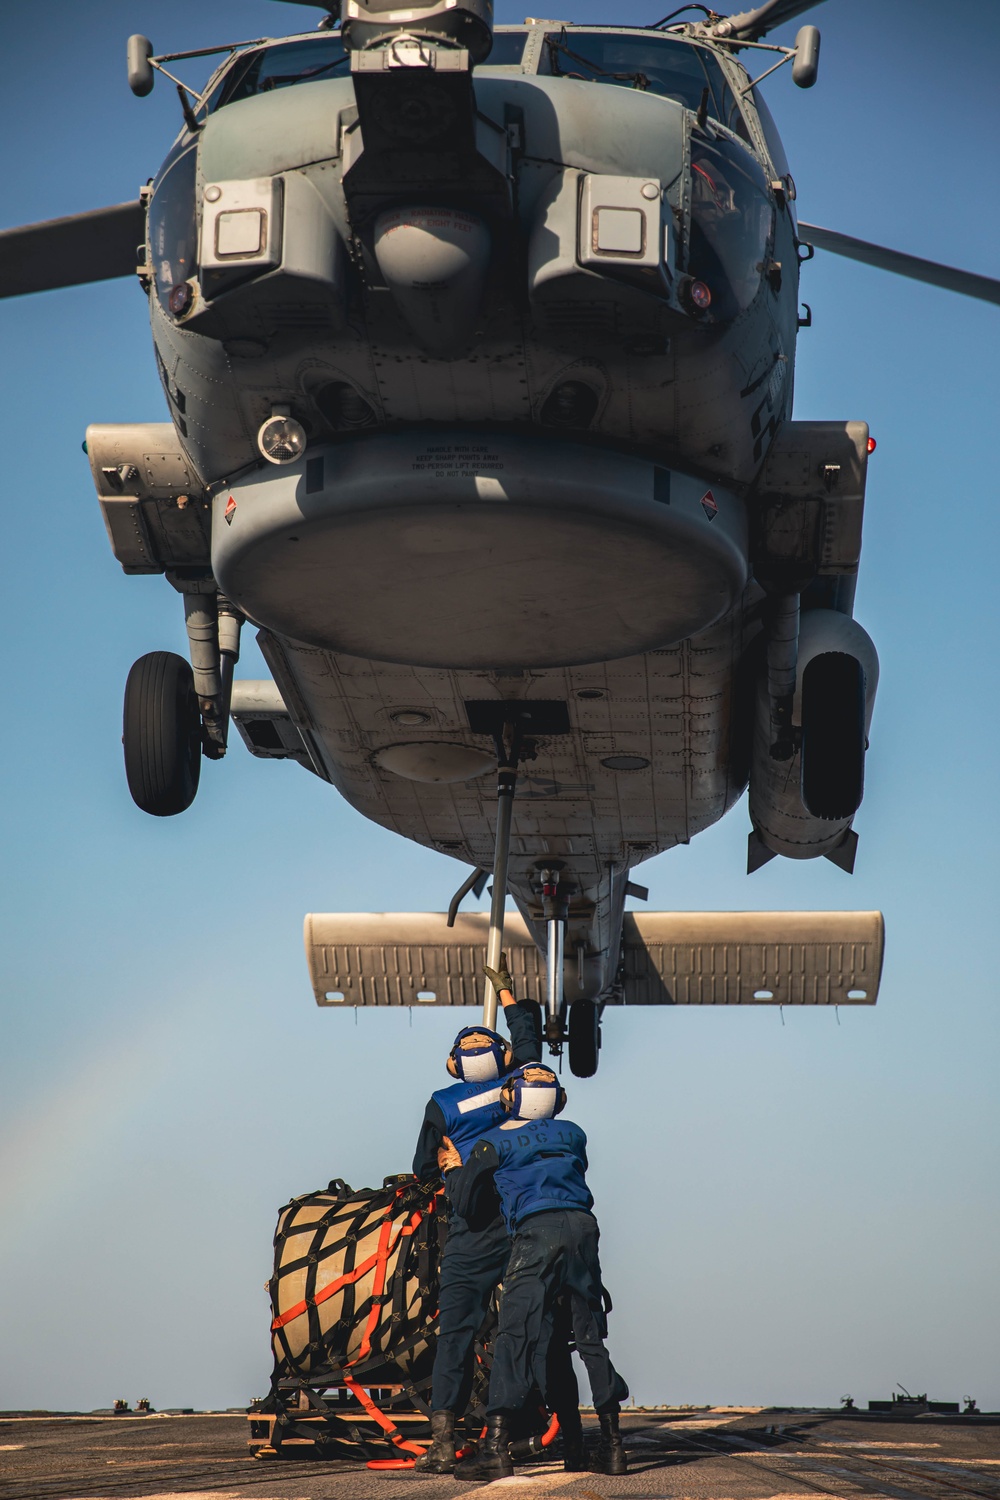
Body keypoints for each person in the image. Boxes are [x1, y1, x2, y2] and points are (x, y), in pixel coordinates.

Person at [443, 1064, 629, 1480]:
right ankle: (609, 1447)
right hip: (584, 1230)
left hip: (536, 1235)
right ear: (558, 1100)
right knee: (589, 1338)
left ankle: (495, 1449)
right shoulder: (574, 1134)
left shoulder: (492, 1142)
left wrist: (454, 1167)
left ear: (511, 1097)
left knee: (516, 1336)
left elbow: (465, 1204)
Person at [411, 955, 541, 1474]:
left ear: (454, 1065)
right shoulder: (517, 1082)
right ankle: (516, 1431)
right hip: (520, 1222)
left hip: (469, 1227)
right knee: (524, 1327)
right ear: (501, 1056)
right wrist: (507, 993)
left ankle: (443, 1441)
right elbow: (529, 1042)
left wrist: (450, 1168)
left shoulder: (442, 1103)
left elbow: (423, 1168)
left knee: (456, 1334)